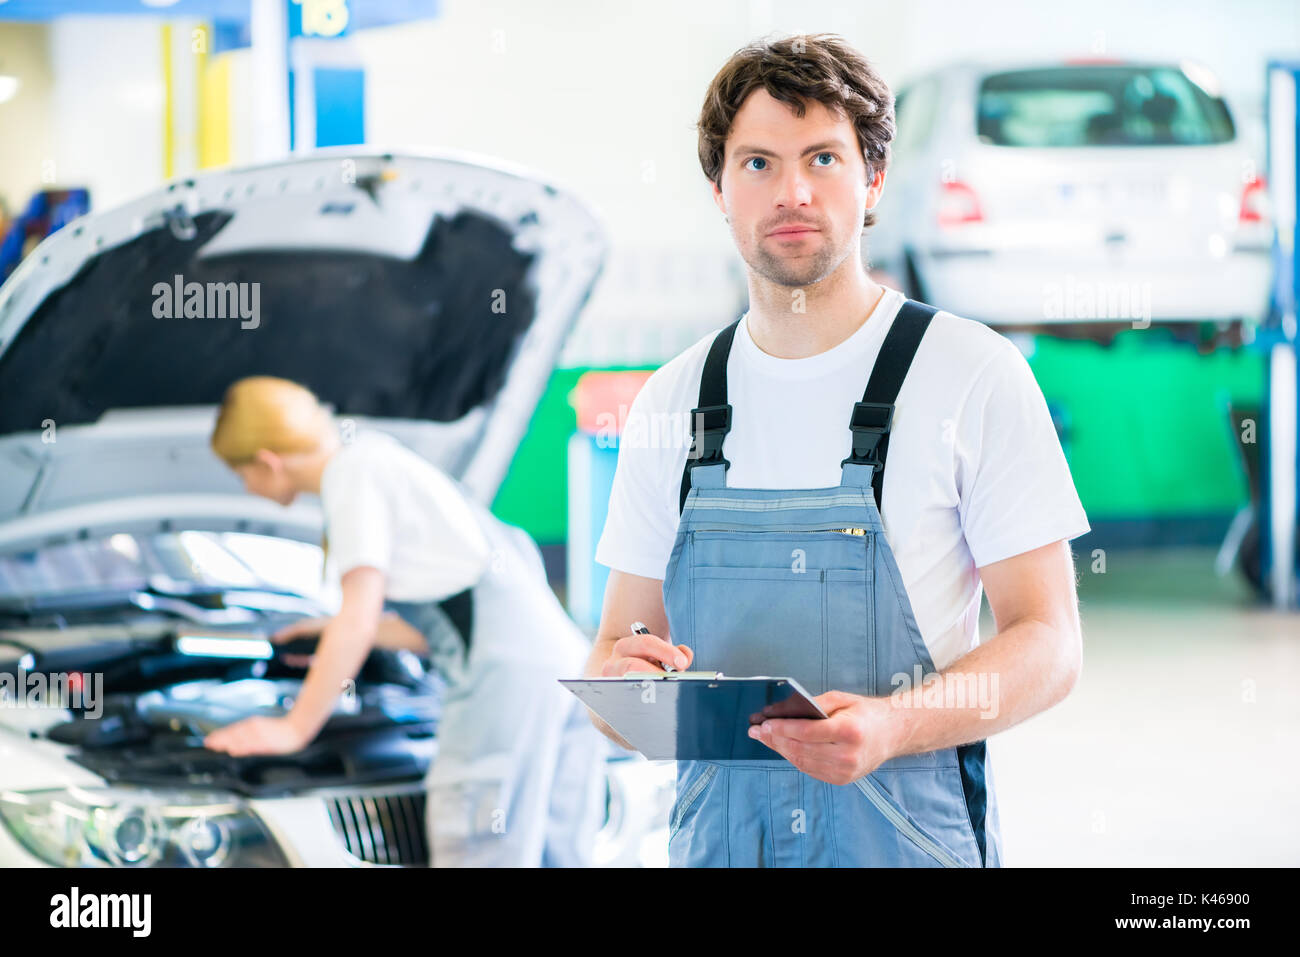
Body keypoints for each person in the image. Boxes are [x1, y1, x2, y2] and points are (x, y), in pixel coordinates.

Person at [585, 34, 1090, 867]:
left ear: (873, 179)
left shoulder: (970, 373)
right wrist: (625, 682)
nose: (791, 191)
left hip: (908, 840)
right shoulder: (672, 401)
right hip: (719, 845)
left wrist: (895, 724)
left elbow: (1049, 641)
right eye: (757, 163)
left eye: (823, 157)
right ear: (718, 188)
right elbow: (611, 658)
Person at [203, 376, 605, 867]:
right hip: (562, 668)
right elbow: (442, 626)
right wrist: (331, 631)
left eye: (241, 474)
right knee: (558, 852)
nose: (246, 488)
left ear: (267, 460)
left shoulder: (350, 474)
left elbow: (360, 612)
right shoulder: (379, 457)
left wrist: (293, 727)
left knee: (475, 846)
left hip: (505, 683)